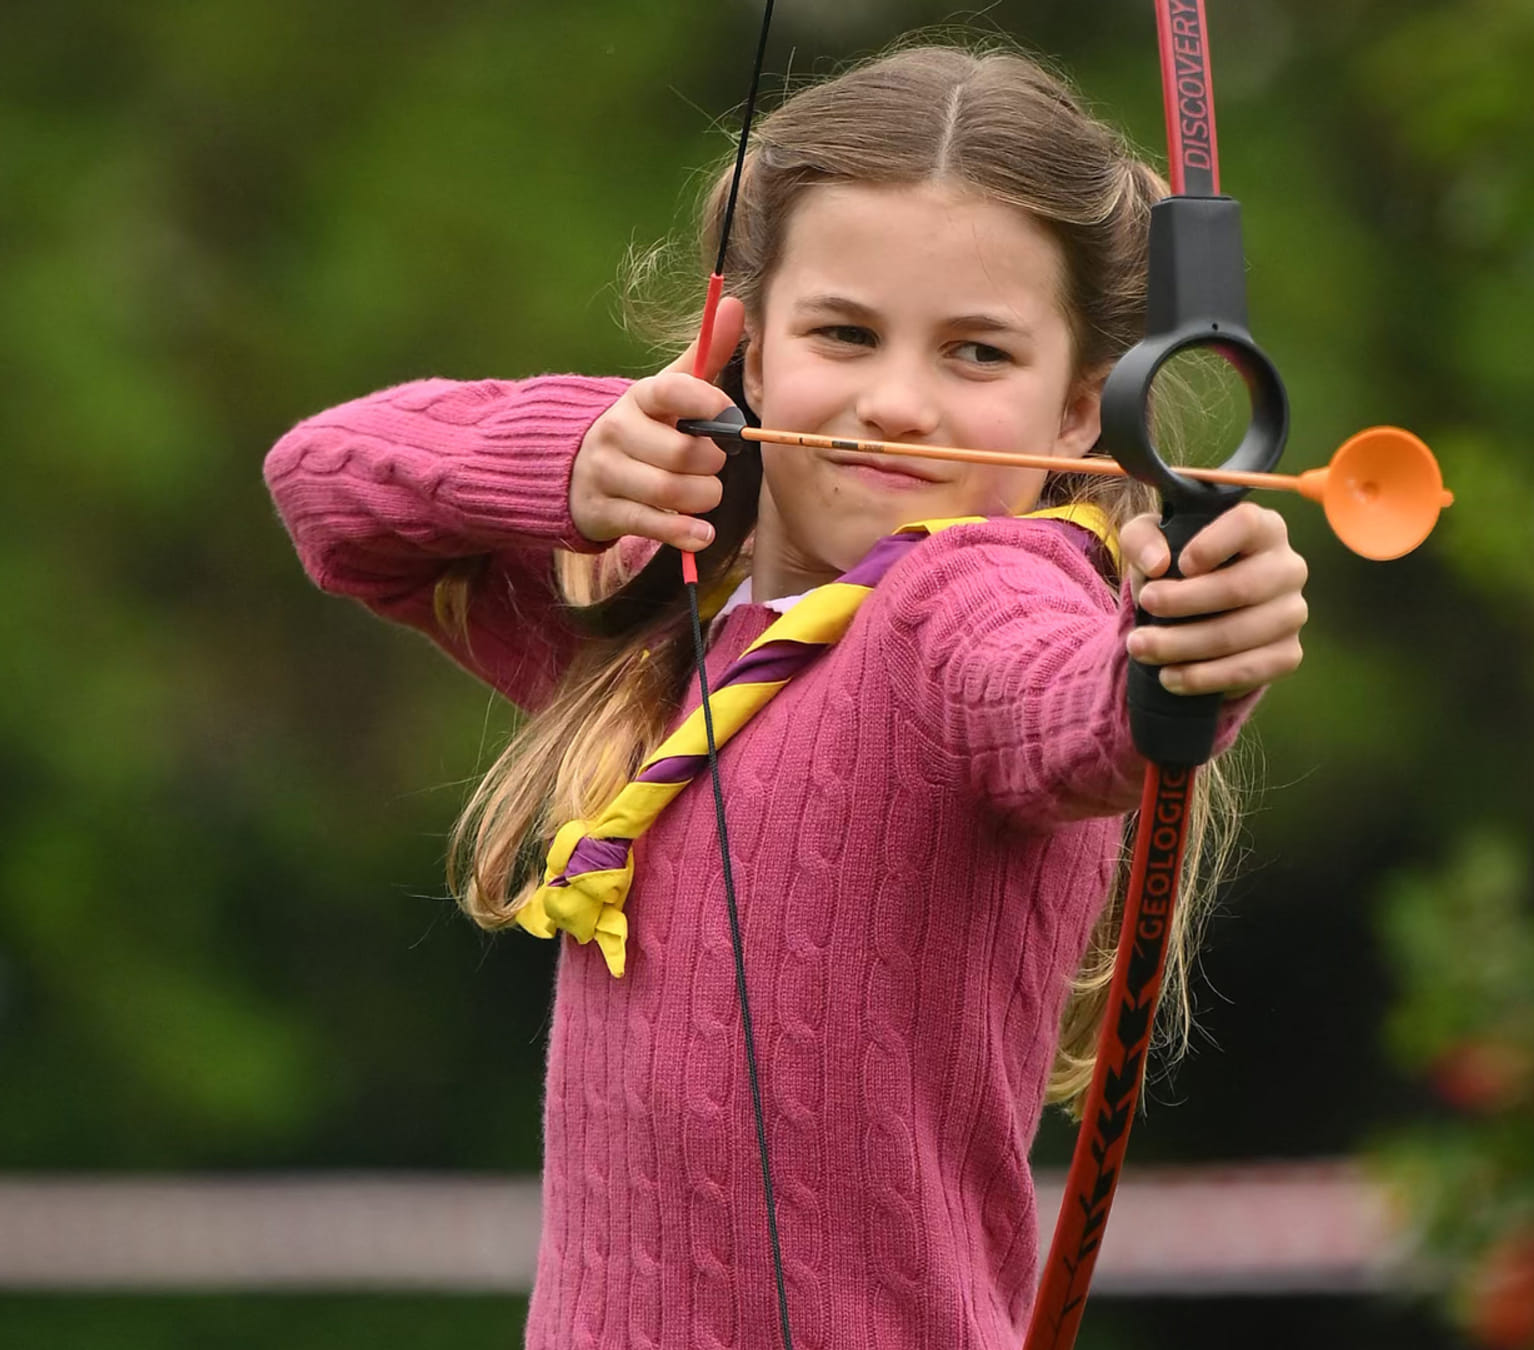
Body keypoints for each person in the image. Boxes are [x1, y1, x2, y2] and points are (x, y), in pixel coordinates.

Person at [263, 45, 1309, 1349]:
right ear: (743, 343)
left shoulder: (973, 599)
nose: (897, 403)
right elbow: (327, 485)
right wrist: (587, 456)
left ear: (1084, 405)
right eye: (844, 332)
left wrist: (1185, 653)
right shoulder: (653, 623)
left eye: (977, 352)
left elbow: (1072, 710)